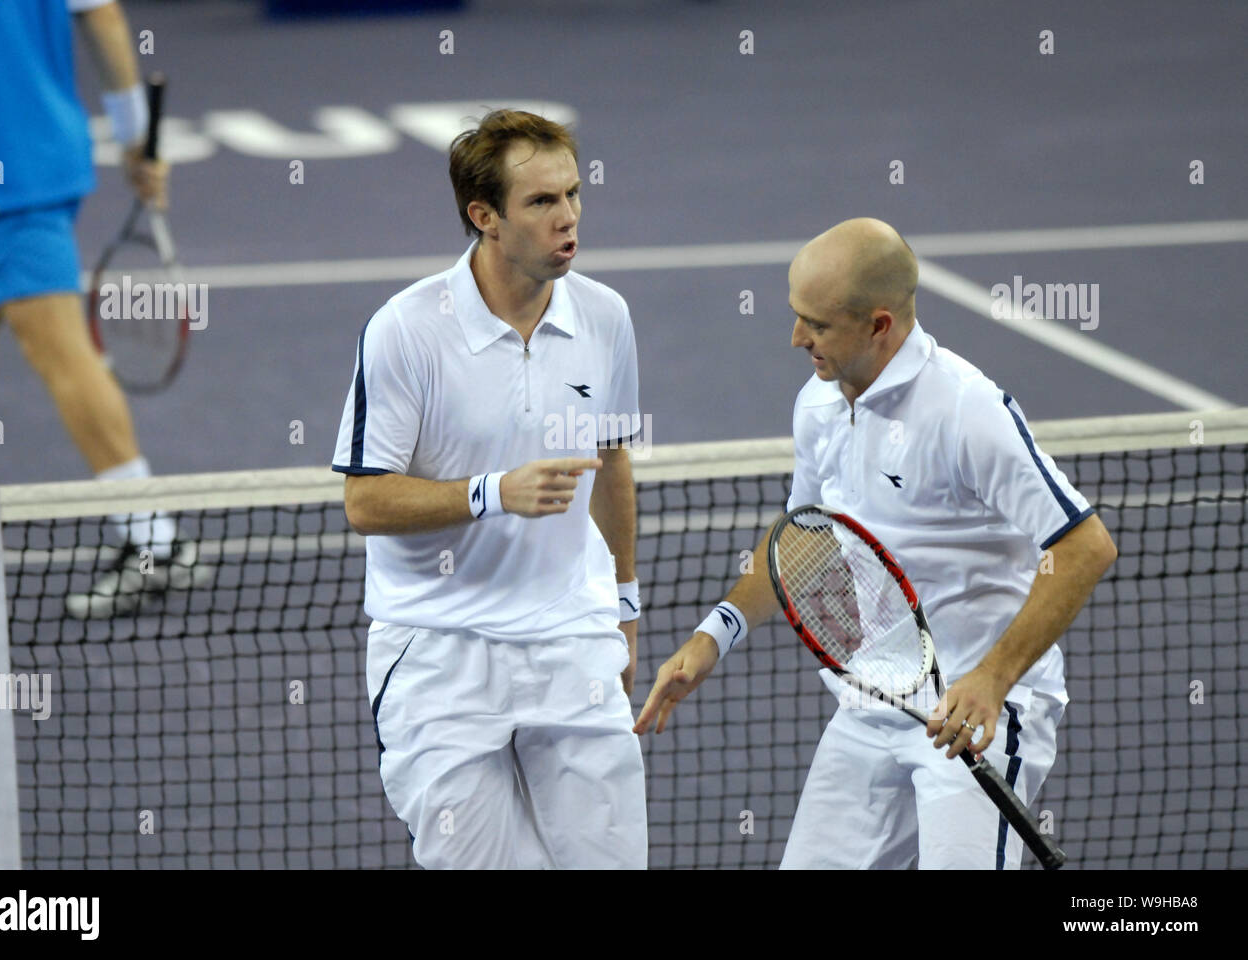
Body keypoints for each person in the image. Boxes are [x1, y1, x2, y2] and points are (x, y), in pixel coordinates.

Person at [636, 217, 1118, 869]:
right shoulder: (818, 401)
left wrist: (991, 679)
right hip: (875, 701)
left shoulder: (964, 411)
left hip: (973, 719)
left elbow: (1086, 547)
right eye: (795, 315)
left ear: (879, 325)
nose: (796, 337)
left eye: (817, 323)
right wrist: (712, 635)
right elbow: (803, 537)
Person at [332, 109, 646, 869]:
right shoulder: (405, 331)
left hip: (572, 640)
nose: (569, 218)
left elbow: (611, 464)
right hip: (441, 656)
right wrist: (489, 493)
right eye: (541, 202)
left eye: (572, 194)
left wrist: (626, 605)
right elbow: (365, 502)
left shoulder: (606, 317)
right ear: (485, 217)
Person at [0, 0, 201, 617]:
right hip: (32, 153)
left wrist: (136, 139)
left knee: (60, 352)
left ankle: (151, 539)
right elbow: (105, 16)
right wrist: (134, 132)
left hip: (6, 165)